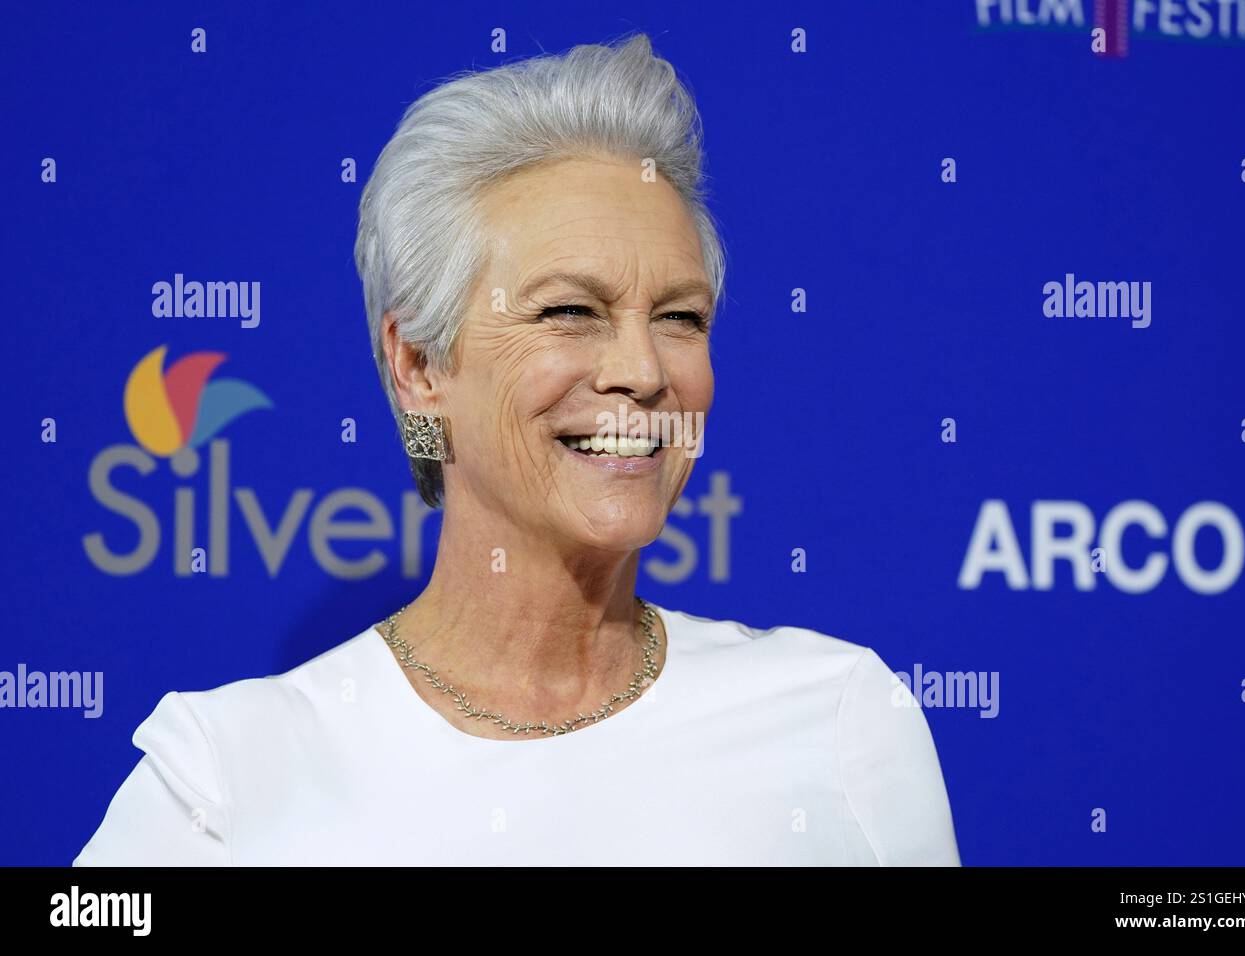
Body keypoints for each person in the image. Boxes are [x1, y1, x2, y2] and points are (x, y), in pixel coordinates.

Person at [73, 32, 961, 866]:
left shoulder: (840, 719)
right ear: (418, 364)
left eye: (680, 317)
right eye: (570, 311)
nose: (643, 370)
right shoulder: (226, 780)